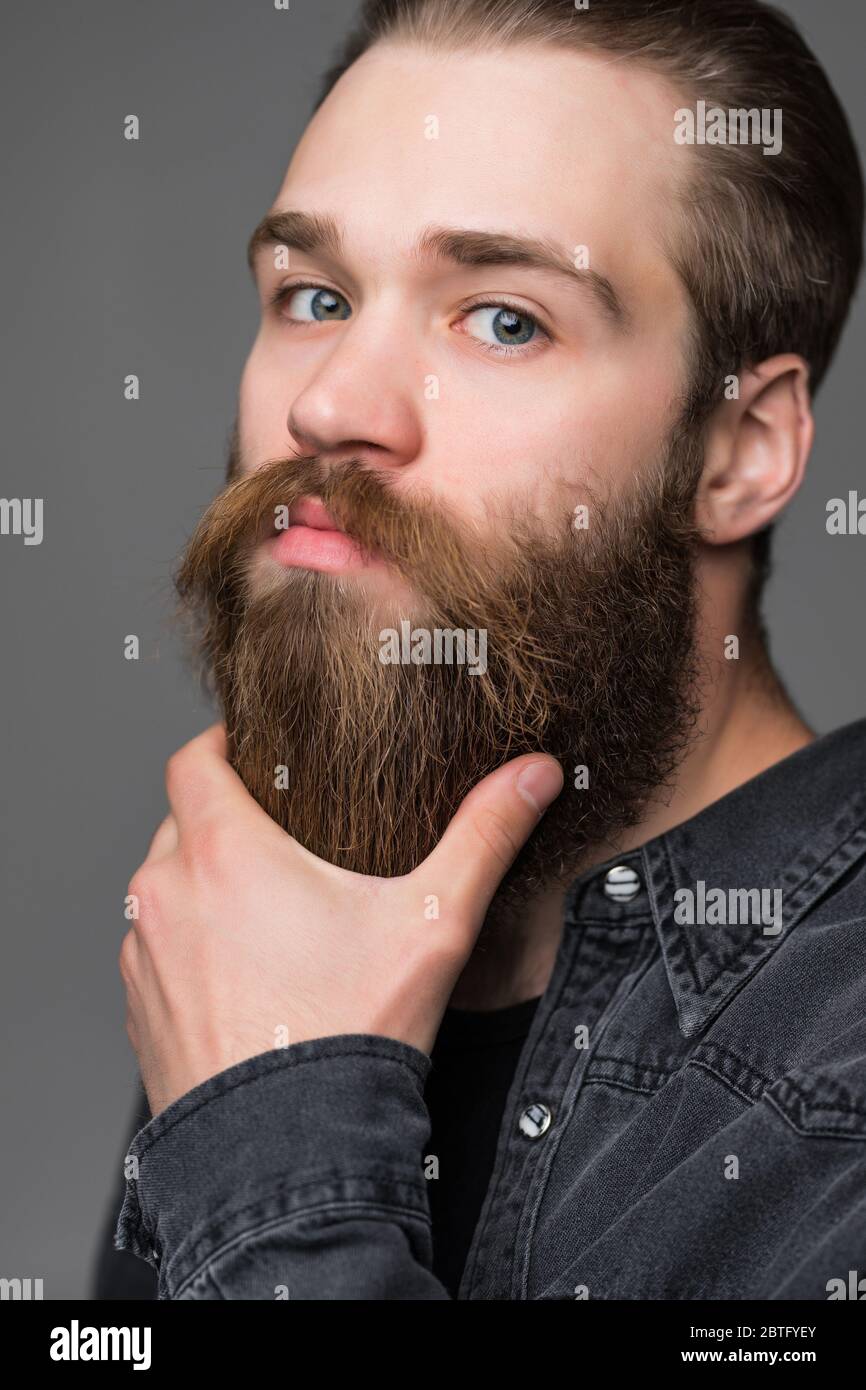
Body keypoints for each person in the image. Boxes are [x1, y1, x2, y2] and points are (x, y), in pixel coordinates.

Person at [93, 0, 866, 1300]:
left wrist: (271, 1151)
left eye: (503, 319)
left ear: (740, 450)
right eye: (314, 295)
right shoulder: (258, 945)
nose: (329, 403)